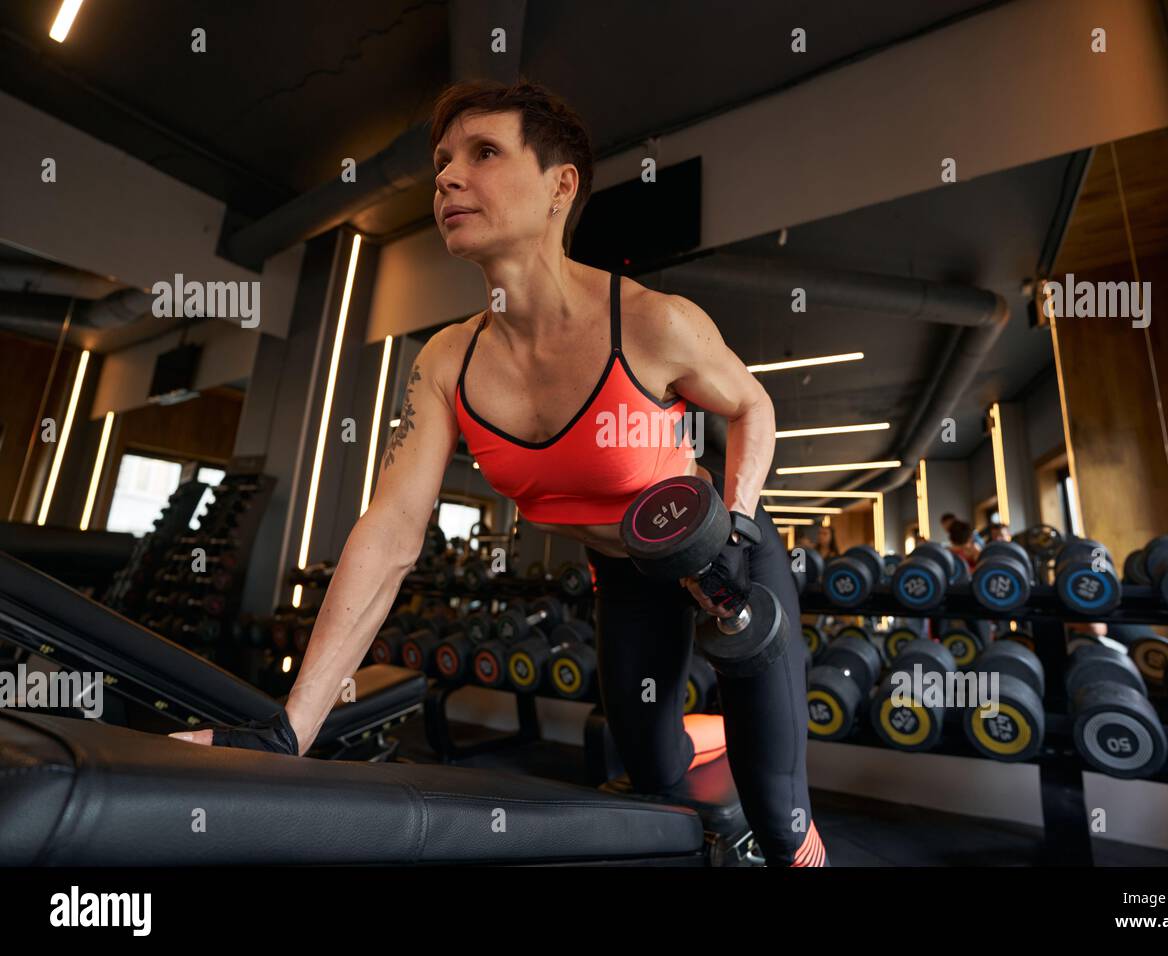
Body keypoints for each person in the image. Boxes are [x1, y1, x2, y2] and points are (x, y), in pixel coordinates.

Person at [171, 80, 824, 867]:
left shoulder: (653, 322)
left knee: (782, 819)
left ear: (560, 186)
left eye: (483, 154)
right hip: (625, 578)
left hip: (727, 561)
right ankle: (700, 731)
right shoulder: (450, 362)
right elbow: (391, 532)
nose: (446, 177)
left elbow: (753, 406)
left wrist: (744, 521)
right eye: (442, 161)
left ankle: (778, 809)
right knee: (652, 770)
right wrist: (290, 728)